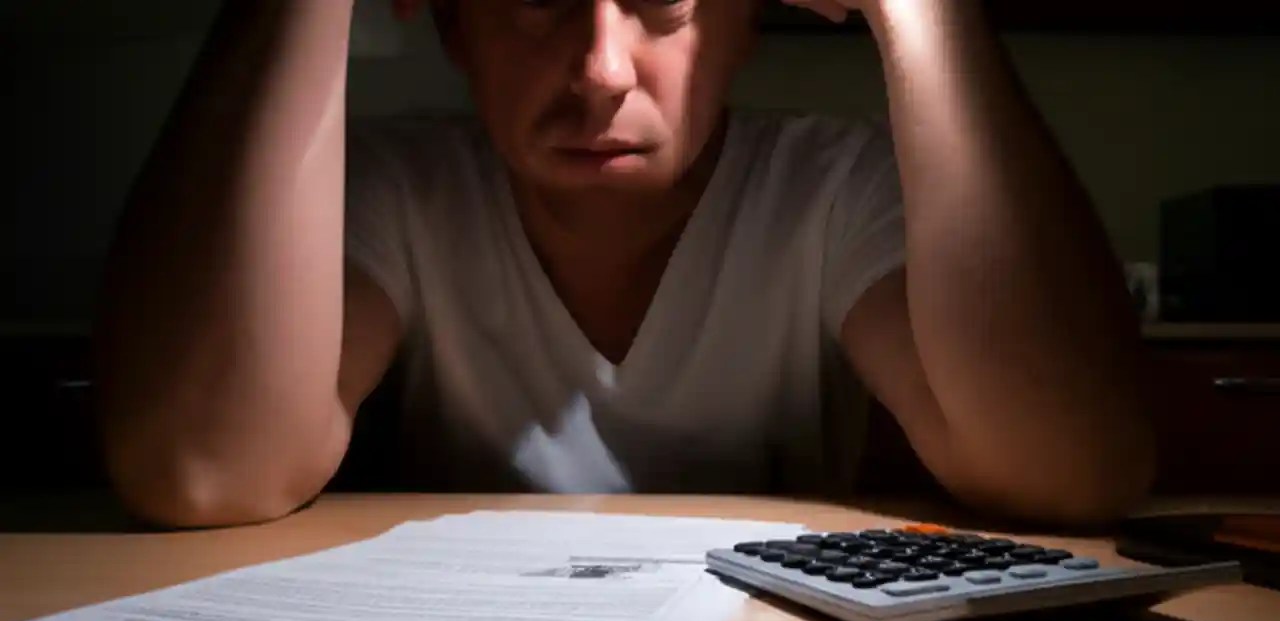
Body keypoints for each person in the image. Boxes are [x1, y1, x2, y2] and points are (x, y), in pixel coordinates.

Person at [95, 0, 1156, 530]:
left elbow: (1069, 466)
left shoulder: (830, 188)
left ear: (749, 23)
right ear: (446, 25)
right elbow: (205, 470)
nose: (600, 71)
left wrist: (927, 18)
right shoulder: (395, 189)